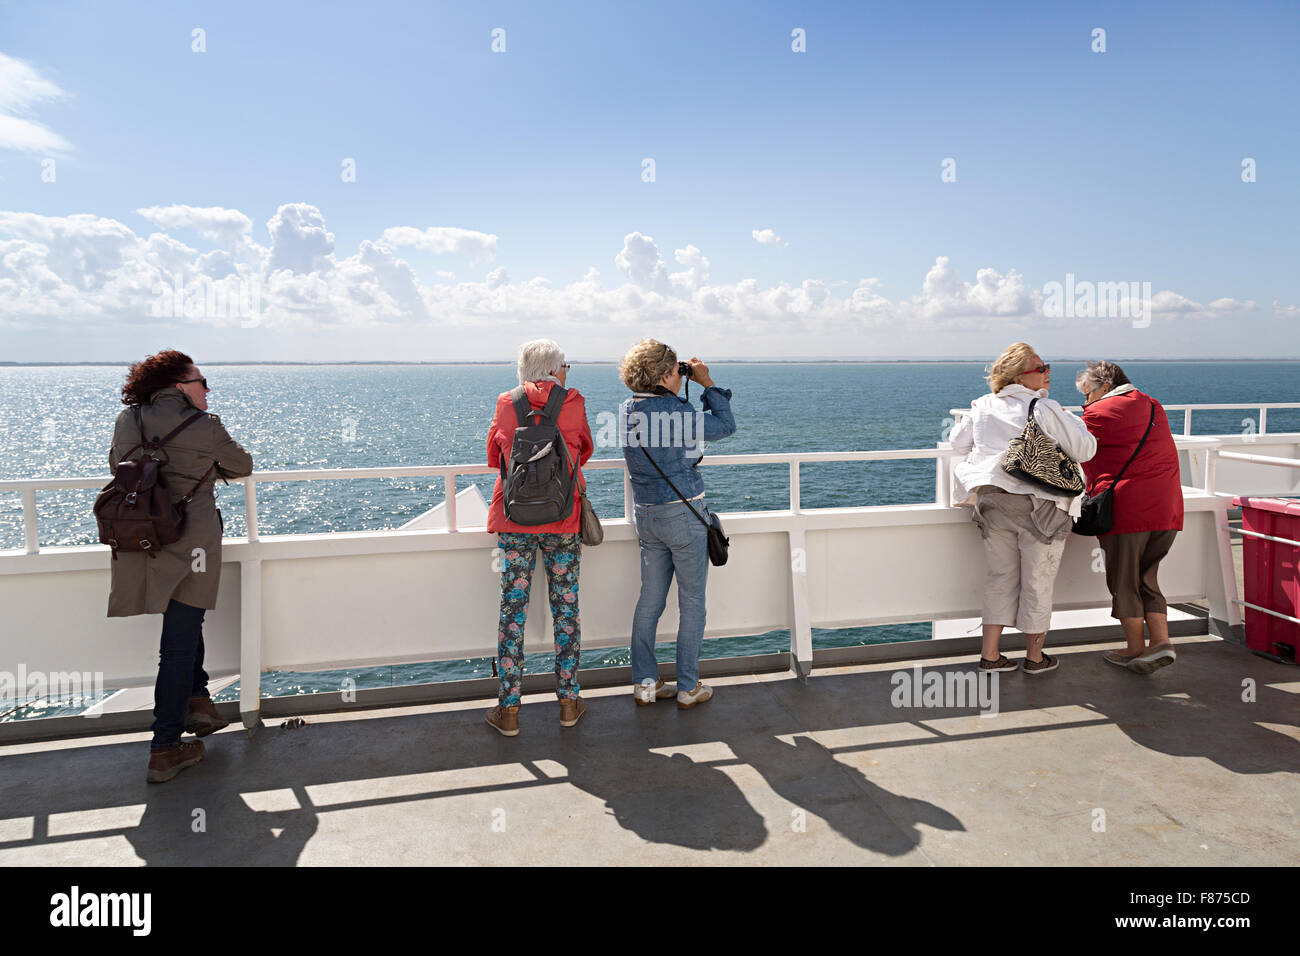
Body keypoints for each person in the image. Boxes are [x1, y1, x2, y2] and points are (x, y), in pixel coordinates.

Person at [108, 350, 253, 783]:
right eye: (201, 380)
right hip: (192, 543)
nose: (207, 389)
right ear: (178, 386)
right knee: (177, 644)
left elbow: (119, 467)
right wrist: (203, 467)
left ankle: (198, 698)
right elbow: (242, 466)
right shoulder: (205, 426)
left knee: (186, 629)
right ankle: (165, 748)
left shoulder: (127, 421)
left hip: (142, 539)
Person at [949, 343, 1096, 674]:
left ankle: (990, 656)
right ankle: (1034, 657)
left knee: (1000, 577)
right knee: (1037, 580)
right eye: (1042, 368)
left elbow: (958, 443)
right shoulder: (1042, 407)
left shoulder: (983, 406)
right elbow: (1086, 449)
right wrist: (1066, 417)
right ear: (1022, 375)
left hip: (993, 500)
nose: (1047, 373)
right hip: (1039, 506)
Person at [484, 339, 594, 736]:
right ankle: (568, 702)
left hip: (515, 522)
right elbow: (584, 450)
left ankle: (509, 710)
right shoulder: (574, 402)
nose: (567, 371)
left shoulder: (505, 402)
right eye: (565, 365)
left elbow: (493, 457)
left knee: (512, 613)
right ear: (552, 369)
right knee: (566, 609)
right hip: (562, 520)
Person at [619, 339, 735, 709]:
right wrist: (707, 383)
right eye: (674, 371)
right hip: (682, 515)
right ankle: (688, 687)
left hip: (647, 515)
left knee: (649, 602)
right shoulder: (675, 411)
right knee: (692, 602)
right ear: (667, 374)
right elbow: (725, 426)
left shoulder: (626, 410)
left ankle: (646, 686)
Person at [1077, 361, 1183, 674]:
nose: (1085, 402)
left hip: (1128, 511)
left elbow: (1073, 448)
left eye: (1087, 394)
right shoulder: (1153, 405)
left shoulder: (1097, 414)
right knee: (1147, 577)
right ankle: (1161, 643)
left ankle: (1135, 648)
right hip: (1167, 509)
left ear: (1104, 388)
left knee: (1123, 582)